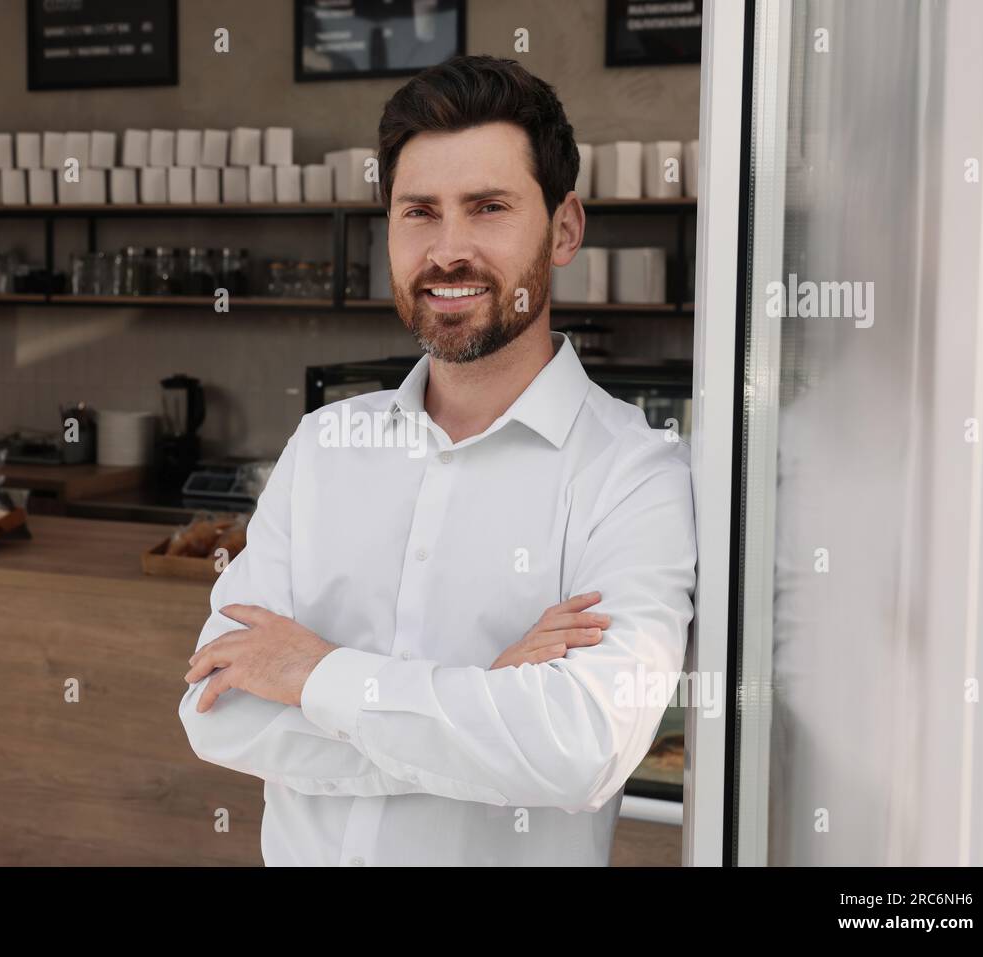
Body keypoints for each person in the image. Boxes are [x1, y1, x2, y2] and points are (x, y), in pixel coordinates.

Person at [179, 54, 697, 866]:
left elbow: (580, 746)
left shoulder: (636, 473)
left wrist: (316, 675)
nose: (449, 250)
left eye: (488, 207)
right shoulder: (322, 448)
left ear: (564, 229)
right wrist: (485, 691)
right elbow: (216, 710)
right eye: (419, 212)